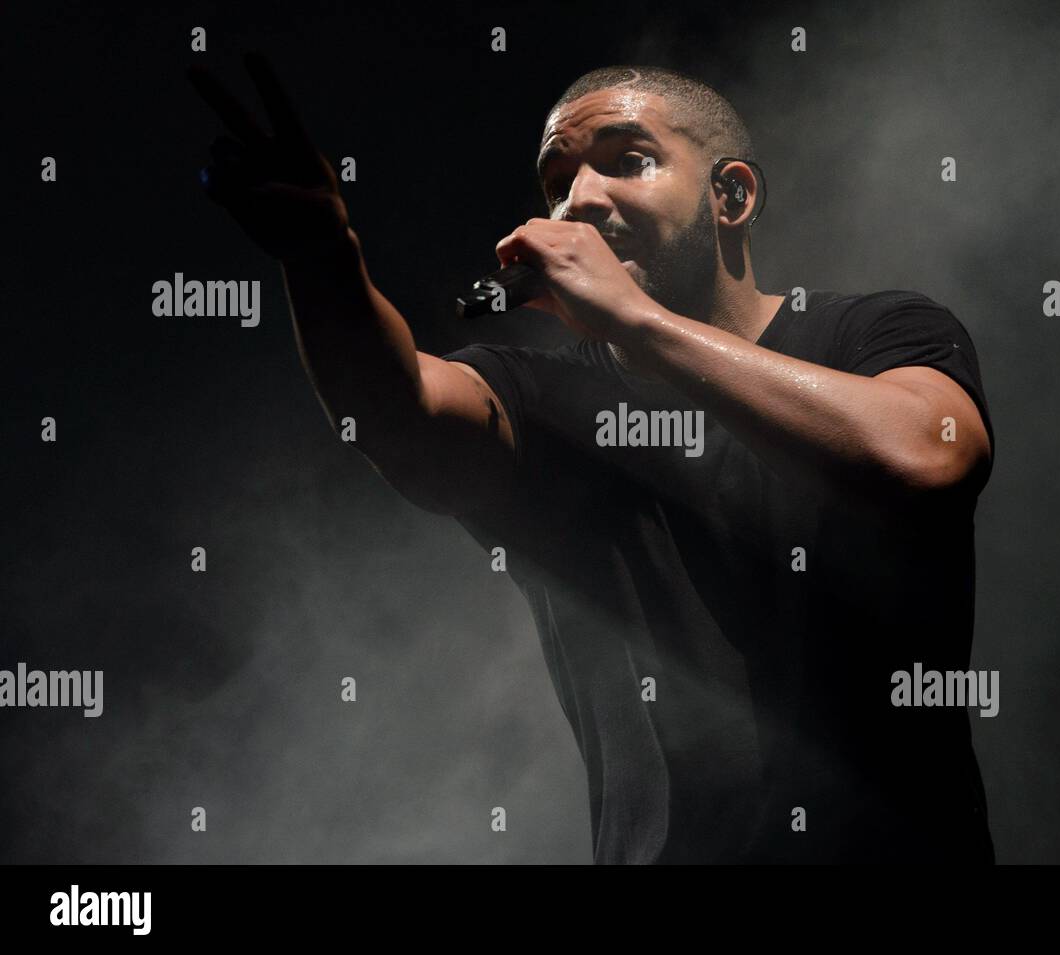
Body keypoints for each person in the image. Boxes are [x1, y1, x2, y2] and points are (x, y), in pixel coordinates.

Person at [188, 54, 997, 864]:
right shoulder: (543, 400)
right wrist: (321, 254)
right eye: (557, 183)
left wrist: (637, 320)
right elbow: (399, 415)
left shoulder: (875, 334)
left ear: (732, 196)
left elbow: (928, 455)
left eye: (628, 161)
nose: (580, 200)